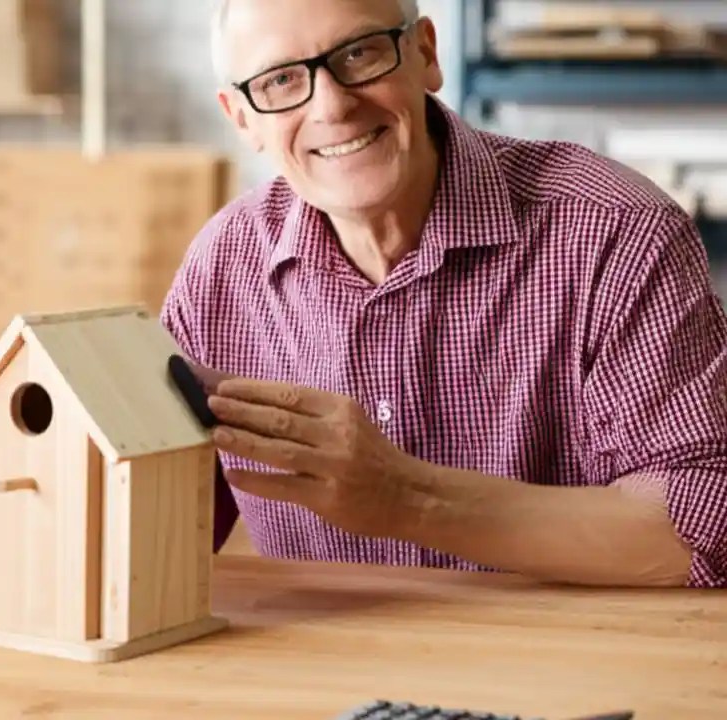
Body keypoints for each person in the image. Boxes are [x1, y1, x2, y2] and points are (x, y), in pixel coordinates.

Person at [161, 0, 727, 588]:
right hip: (318, 669)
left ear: (426, 54)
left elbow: (707, 523)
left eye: (359, 53)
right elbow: (163, 513)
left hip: (565, 667)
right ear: (241, 118)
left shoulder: (616, 232)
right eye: (280, 80)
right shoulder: (221, 266)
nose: (332, 105)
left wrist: (408, 498)